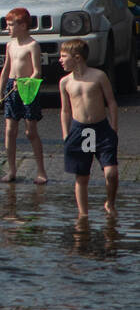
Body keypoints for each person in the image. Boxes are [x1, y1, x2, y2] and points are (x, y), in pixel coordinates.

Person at [58, 39, 119, 218]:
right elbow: (65, 110)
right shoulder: (65, 82)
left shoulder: (98, 76)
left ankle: (110, 202)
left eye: (63, 56)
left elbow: (112, 103)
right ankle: (83, 215)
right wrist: (65, 134)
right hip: (82, 132)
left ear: (77, 58)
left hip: (101, 129)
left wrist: (114, 128)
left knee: (111, 172)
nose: (60, 60)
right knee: (82, 176)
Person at [0, 8, 48, 184]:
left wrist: (25, 83)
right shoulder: (10, 45)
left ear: (23, 26)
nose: (7, 28)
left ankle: (41, 171)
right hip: (11, 85)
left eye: (10, 25)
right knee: (9, 130)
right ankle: (12, 170)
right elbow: (6, 69)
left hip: (27, 87)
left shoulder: (32, 45)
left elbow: (37, 72)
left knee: (31, 131)